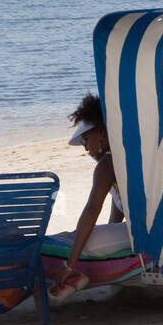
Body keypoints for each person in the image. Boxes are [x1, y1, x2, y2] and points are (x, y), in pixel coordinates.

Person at [49, 92, 126, 301]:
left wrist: (69, 263)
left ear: (101, 132)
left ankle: (73, 274)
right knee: (78, 235)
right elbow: (120, 204)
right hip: (151, 229)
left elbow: (92, 211)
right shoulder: (125, 153)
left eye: (85, 139)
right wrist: (111, 229)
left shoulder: (106, 164)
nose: (84, 146)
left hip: (144, 234)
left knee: (84, 241)